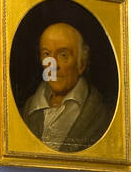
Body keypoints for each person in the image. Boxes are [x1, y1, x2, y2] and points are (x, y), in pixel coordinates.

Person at [18, 22, 116, 152]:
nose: (53, 64)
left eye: (63, 55)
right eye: (46, 54)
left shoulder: (101, 115)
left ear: (81, 63)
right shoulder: (27, 110)